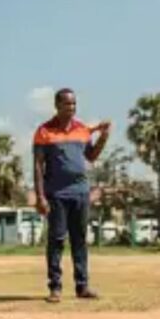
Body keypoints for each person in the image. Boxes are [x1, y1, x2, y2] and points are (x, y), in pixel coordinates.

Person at [33, 88, 111, 303]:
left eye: (74, 104)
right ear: (57, 105)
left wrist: (103, 137)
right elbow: (38, 166)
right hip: (56, 194)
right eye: (67, 104)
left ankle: (82, 286)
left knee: (79, 240)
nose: (72, 108)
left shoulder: (82, 129)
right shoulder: (44, 131)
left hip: (80, 193)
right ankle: (55, 287)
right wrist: (40, 196)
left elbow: (91, 156)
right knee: (57, 239)